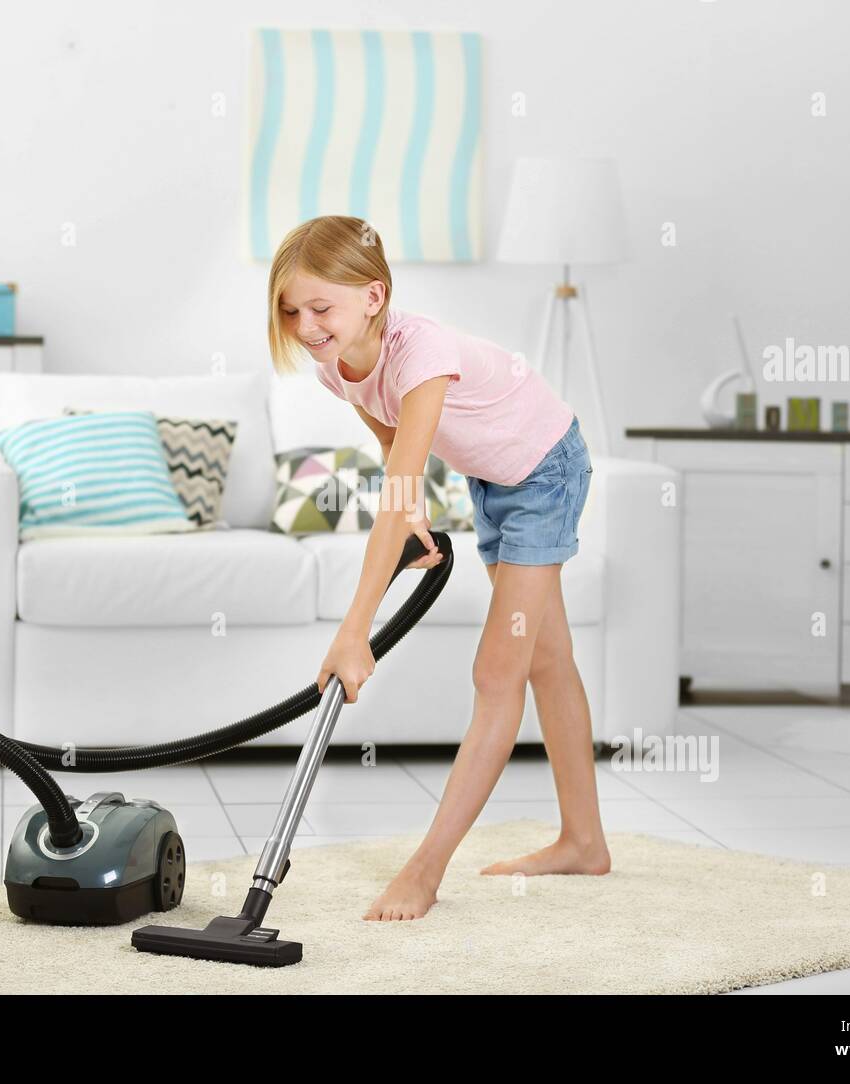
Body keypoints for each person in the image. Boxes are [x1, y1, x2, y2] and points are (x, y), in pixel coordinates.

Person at [267, 215, 609, 921]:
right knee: (547, 661)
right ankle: (584, 842)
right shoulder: (337, 366)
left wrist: (355, 630)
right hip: (494, 481)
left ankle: (425, 872)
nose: (304, 325)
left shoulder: (420, 352)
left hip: (544, 470)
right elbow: (389, 437)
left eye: (319, 307)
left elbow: (392, 494)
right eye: (291, 310)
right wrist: (415, 498)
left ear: (373, 295)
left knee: (496, 673)